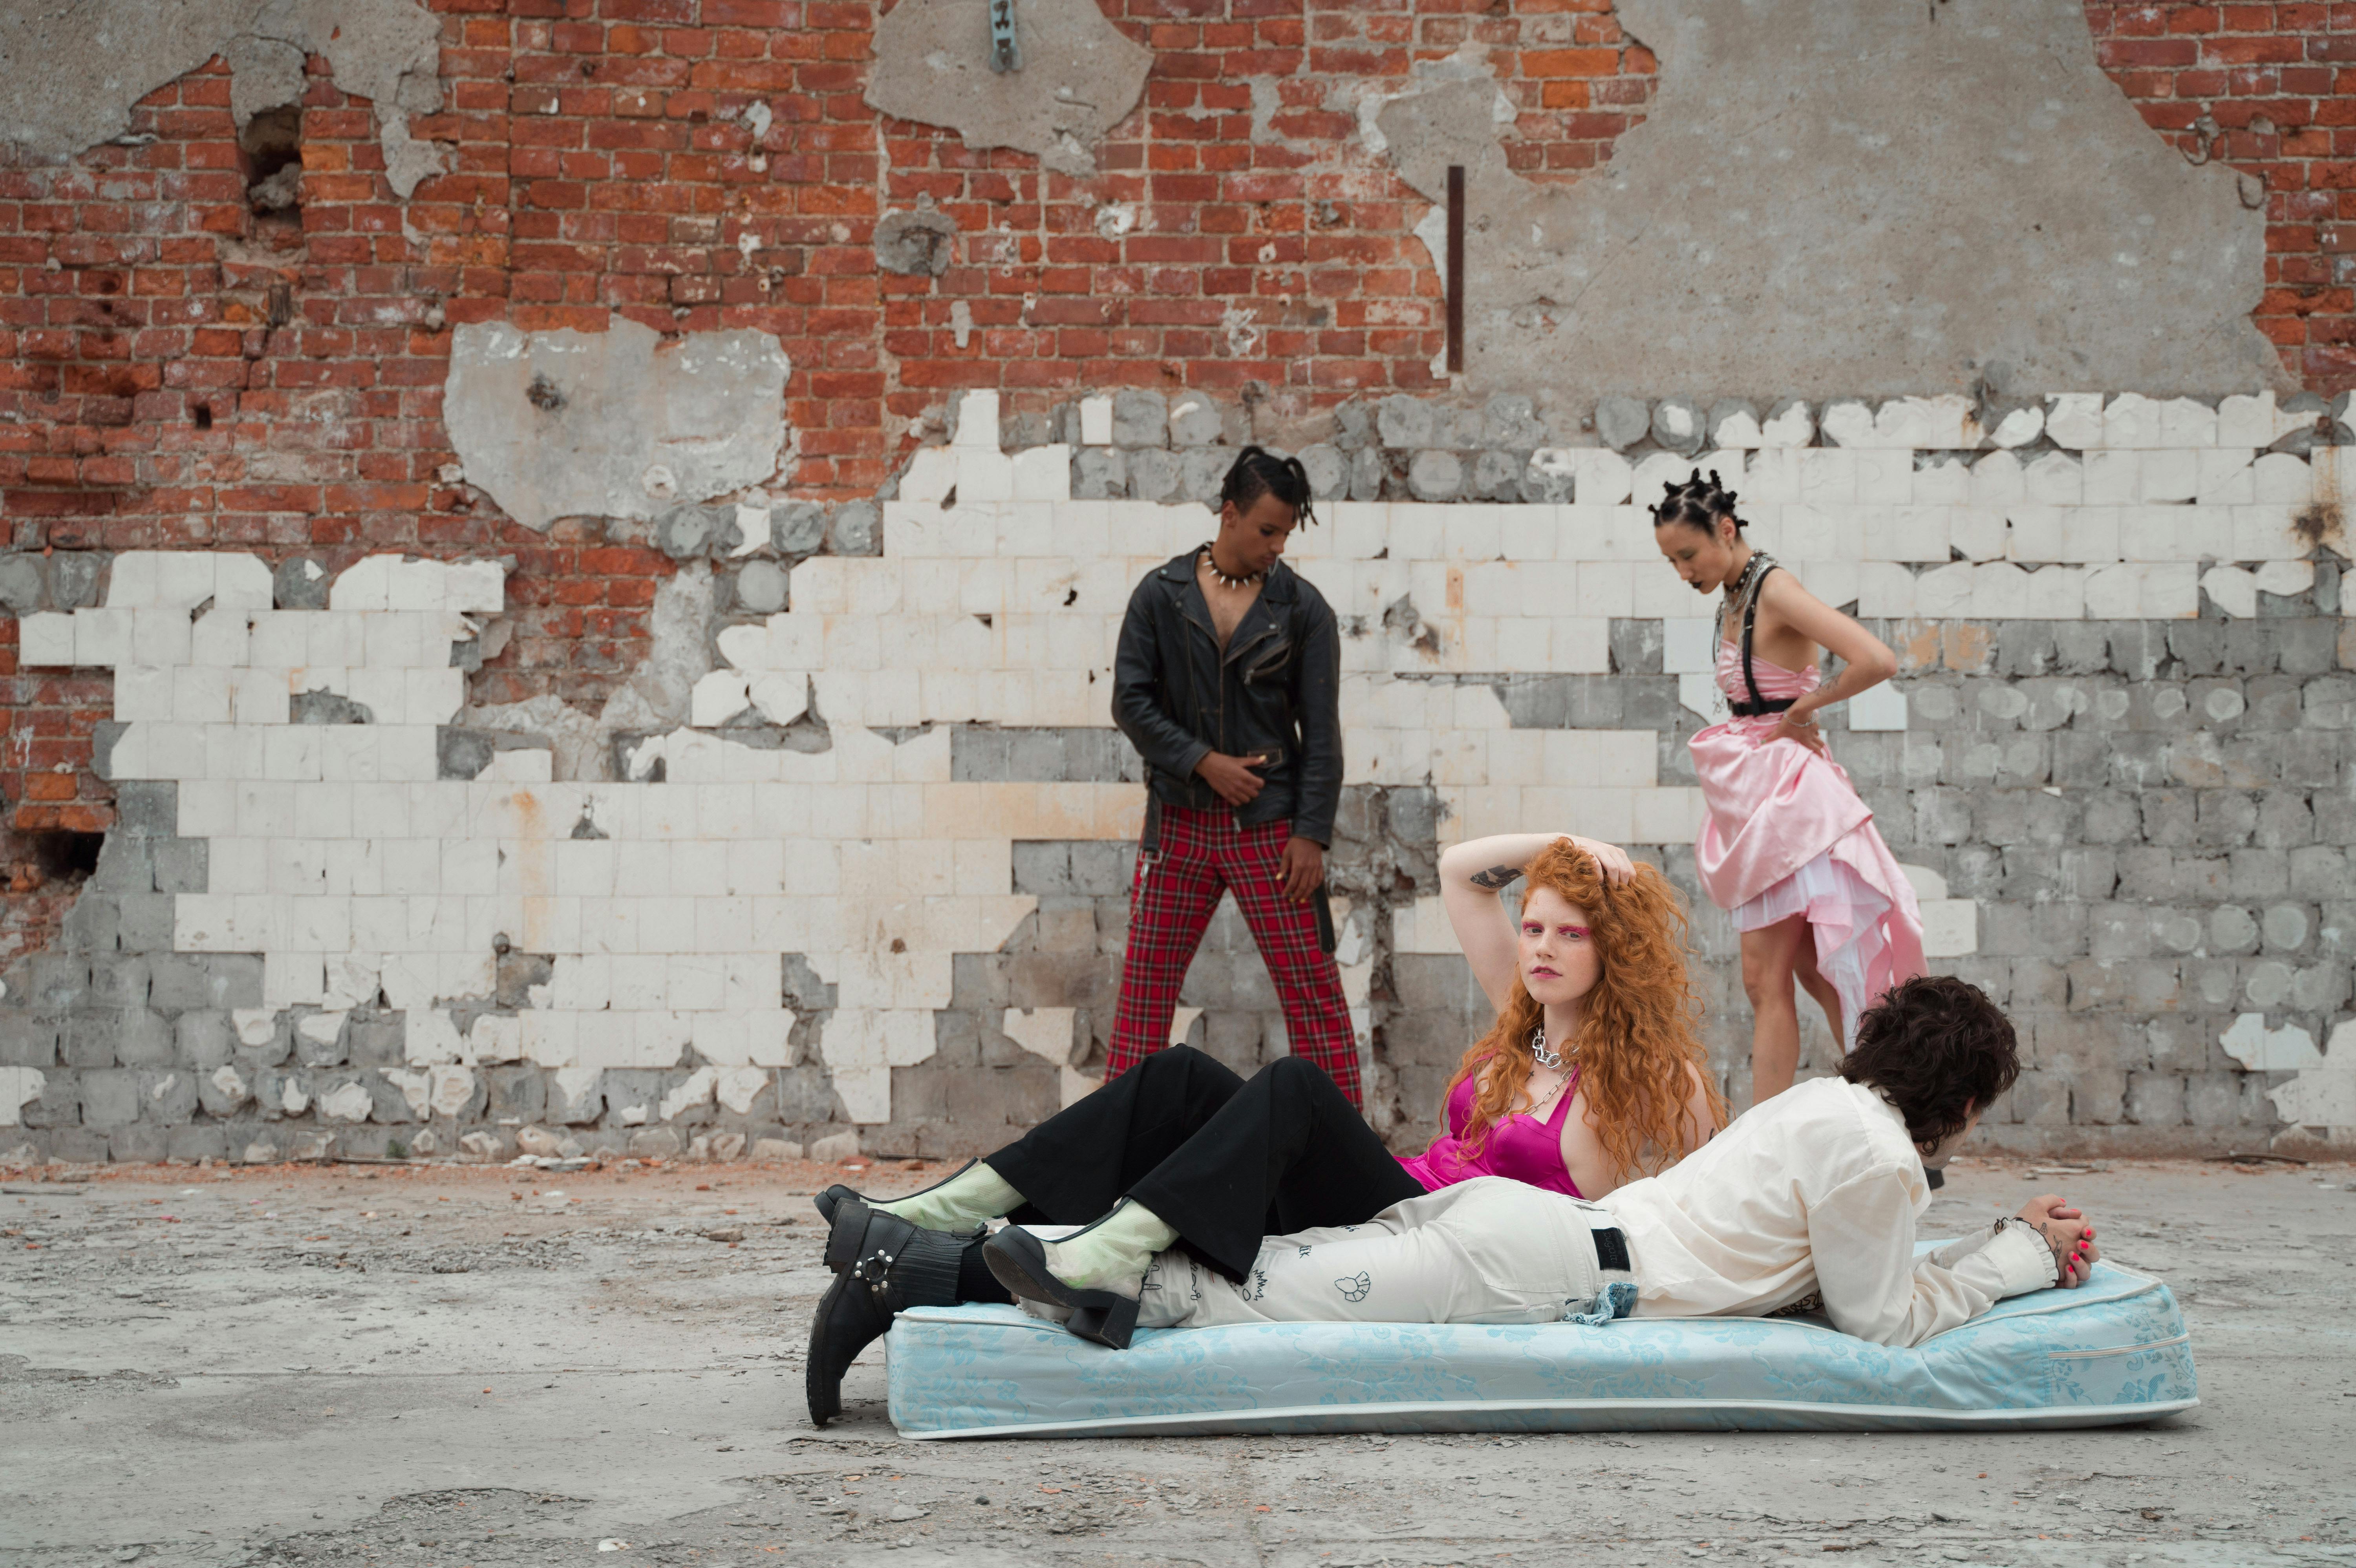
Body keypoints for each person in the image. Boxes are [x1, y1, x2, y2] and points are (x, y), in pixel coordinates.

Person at [802, 833, 1722, 1421]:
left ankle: (994, 1254)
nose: (1542, 948)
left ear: (1614, 949)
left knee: (1294, 1087)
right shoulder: (1520, 1018)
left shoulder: (1646, 1079)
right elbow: (1460, 869)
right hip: (1392, 1204)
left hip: (1451, 1243)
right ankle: (943, 1212)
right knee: (1178, 1078)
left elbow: (1715, 1186)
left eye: (1571, 933)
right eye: (1534, 928)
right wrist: (1568, 845)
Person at [1121, 975, 2099, 1349]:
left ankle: (1054, 1253)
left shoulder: (1820, 1103)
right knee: (1210, 1292)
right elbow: (1881, 1318)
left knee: (1248, 1269)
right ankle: (1054, 1270)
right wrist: (2018, 1257)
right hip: (1543, 1268)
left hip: (1522, 1232)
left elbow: (1860, 1266)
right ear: (1962, 1105)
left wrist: (1998, 1238)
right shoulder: (1878, 1155)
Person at [1653, 468, 1925, 1103]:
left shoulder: (1774, 590)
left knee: (1763, 978)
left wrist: (1804, 708)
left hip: (1788, 798)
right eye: (1672, 562)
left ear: (1726, 530)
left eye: (1689, 555)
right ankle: (1894, 1105)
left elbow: (1877, 659)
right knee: (1814, 972)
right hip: (1759, 792)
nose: (1684, 572)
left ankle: (1762, 1139)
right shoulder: (1735, 594)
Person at [1105, 447, 1355, 1100]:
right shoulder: (1161, 596)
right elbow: (1130, 702)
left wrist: (1312, 834)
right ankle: (1111, 1147)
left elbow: (1322, 734)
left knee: (1314, 993)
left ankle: (1345, 1150)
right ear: (1230, 514)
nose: (1278, 546)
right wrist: (1202, 761)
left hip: (1272, 830)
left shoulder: (1303, 610)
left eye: (1286, 534)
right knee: (1144, 996)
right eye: (1267, 530)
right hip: (1178, 824)